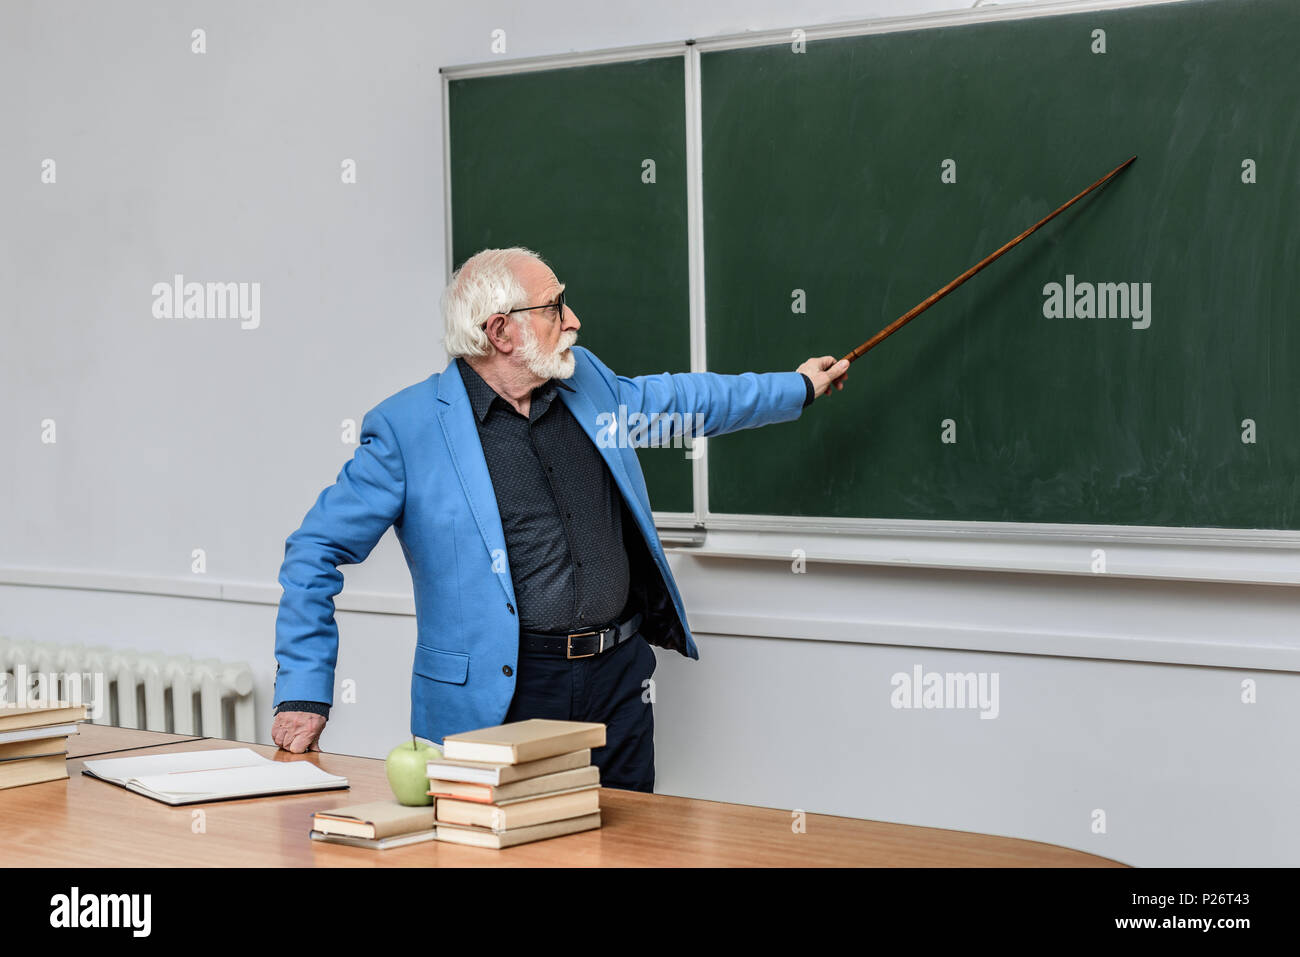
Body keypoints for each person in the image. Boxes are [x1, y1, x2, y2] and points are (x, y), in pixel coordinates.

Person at [271, 246, 848, 791]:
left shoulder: (587, 385)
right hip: (504, 695)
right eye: (552, 308)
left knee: (630, 848)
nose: (572, 320)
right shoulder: (408, 429)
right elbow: (314, 551)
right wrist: (303, 691)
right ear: (499, 331)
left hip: (618, 679)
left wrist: (795, 388)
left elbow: (680, 403)